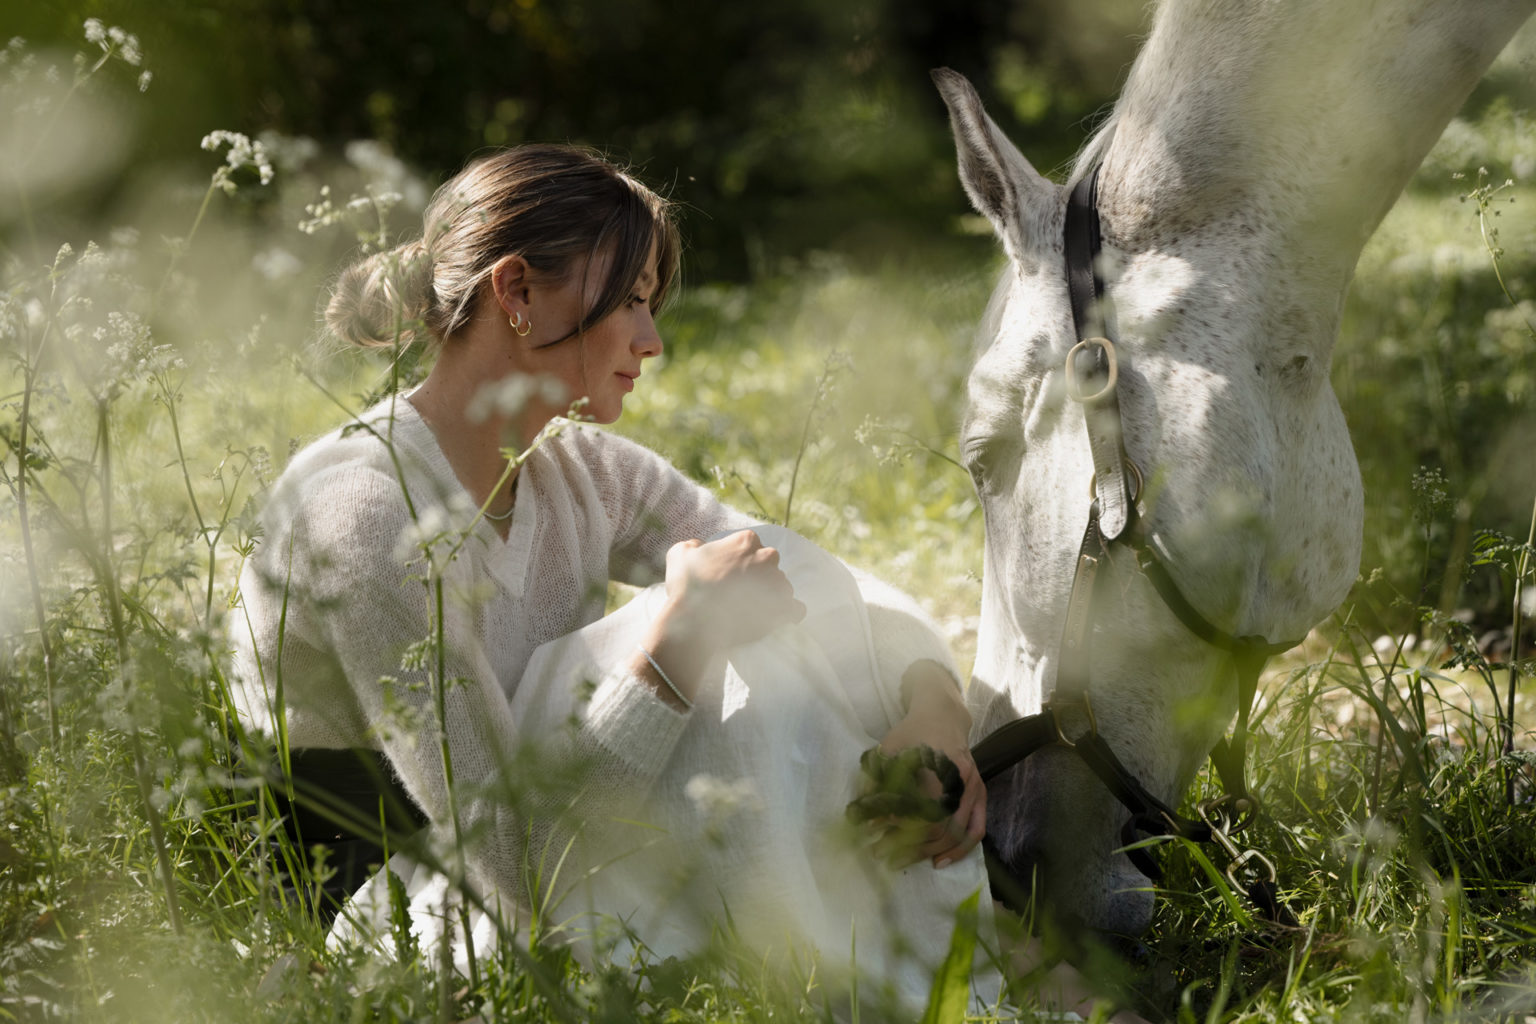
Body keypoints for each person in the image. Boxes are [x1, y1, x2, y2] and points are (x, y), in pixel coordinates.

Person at [229, 144, 1002, 1011]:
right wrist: (670, 655)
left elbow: (795, 569)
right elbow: (516, 864)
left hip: (566, 835)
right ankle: (910, 985)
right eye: (631, 300)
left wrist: (932, 706)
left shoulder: (575, 471)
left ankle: (938, 965)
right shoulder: (368, 514)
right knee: (694, 643)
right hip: (410, 896)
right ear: (516, 292)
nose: (653, 340)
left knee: (755, 619)